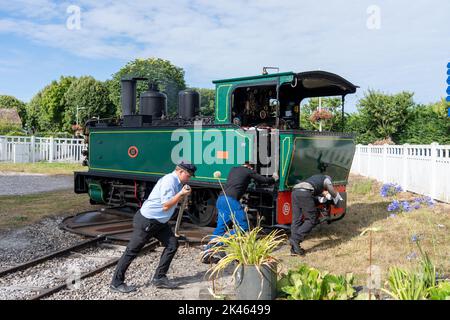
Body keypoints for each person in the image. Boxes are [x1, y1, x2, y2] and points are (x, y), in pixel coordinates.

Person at [110, 161, 196, 293]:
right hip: (147, 221)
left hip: (159, 222)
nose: (189, 178)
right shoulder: (170, 181)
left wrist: (182, 193)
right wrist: (181, 194)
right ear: (180, 172)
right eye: (188, 175)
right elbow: (166, 205)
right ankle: (116, 283)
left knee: (172, 244)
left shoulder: (177, 182)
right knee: (132, 251)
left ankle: (159, 278)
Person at [202, 161, 279, 263]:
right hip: (231, 200)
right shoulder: (248, 171)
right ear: (250, 166)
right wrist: (273, 178)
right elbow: (263, 180)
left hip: (221, 199)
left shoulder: (234, 169)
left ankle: (208, 250)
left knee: (221, 227)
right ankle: (219, 243)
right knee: (243, 227)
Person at [289, 174, 343, 256]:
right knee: (311, 219)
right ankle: (295, 239)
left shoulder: (314, 179)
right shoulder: (326, 179)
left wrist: (323, 197)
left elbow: (316, 197)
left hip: (295, 192)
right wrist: (336, 198)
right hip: (305, 192)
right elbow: (332, 191)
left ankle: (294, 249)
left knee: (296, 220)